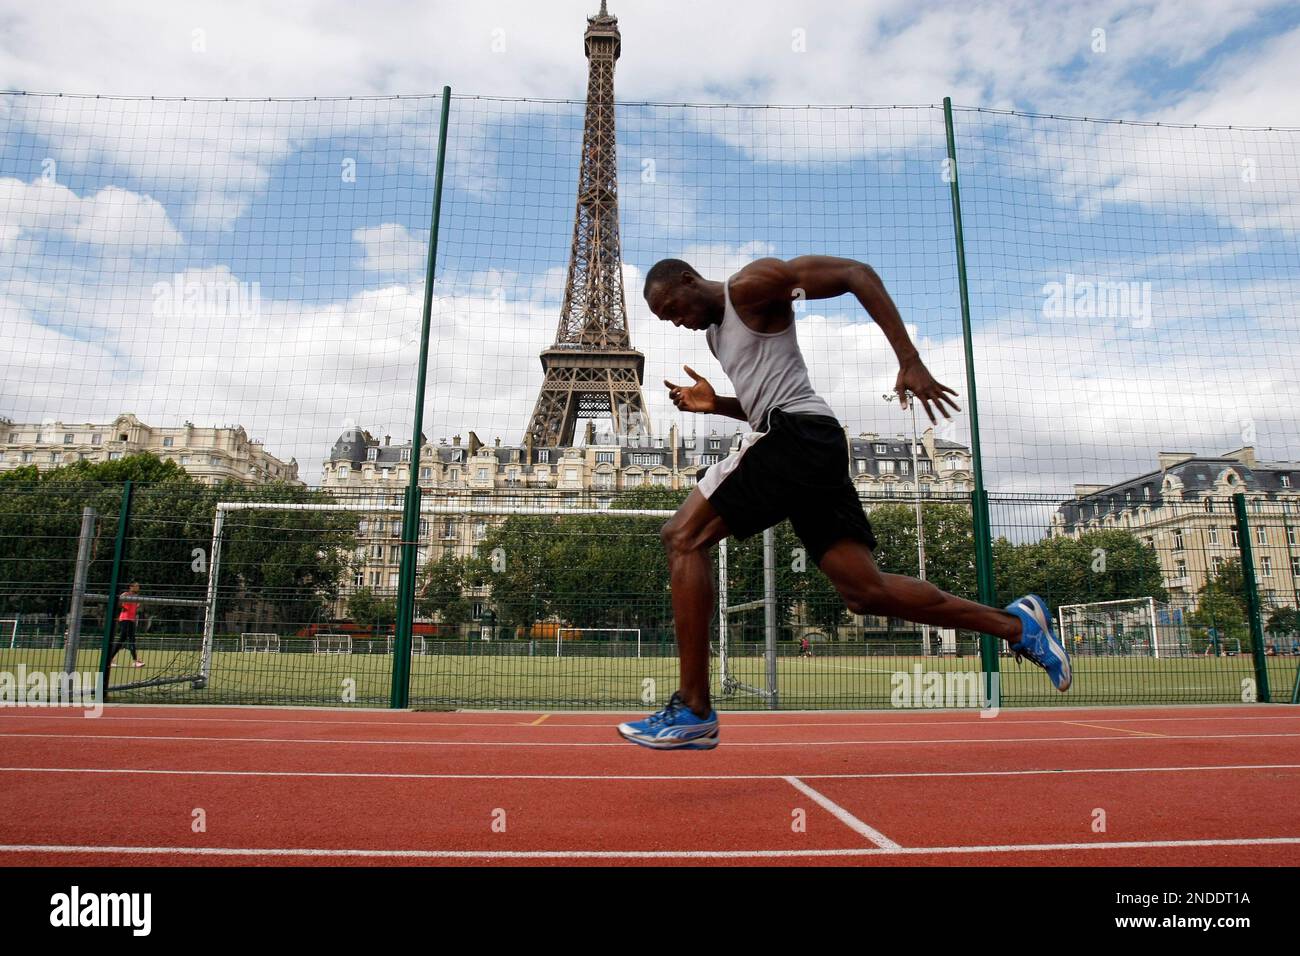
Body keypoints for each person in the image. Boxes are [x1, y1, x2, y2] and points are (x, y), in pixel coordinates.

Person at [617, 256, 1071, 750]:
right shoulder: (713, 336)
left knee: (681, 537)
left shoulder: (751, 288)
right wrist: (718, 404)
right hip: (807, 444)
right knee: (865, 592)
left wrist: (909, 359)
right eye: (667, 321)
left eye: (673, 309)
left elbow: (856, 275)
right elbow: (764, 402)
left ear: (688, 280)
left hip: (797, 436)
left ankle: (694, 708)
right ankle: (1016, 625)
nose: (678, 322)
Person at [108, 582, 145, 669]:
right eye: (136, 586)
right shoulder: (126, 594)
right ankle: (136, 661)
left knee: (122, 639)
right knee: (131, 639)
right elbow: (118, 602)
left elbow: (137, 607)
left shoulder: (136, 597)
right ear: (130, 587)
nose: (138, 587)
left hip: (131, 620)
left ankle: (110, 659)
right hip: (125, 619)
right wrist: (123, 607)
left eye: (138, 586)